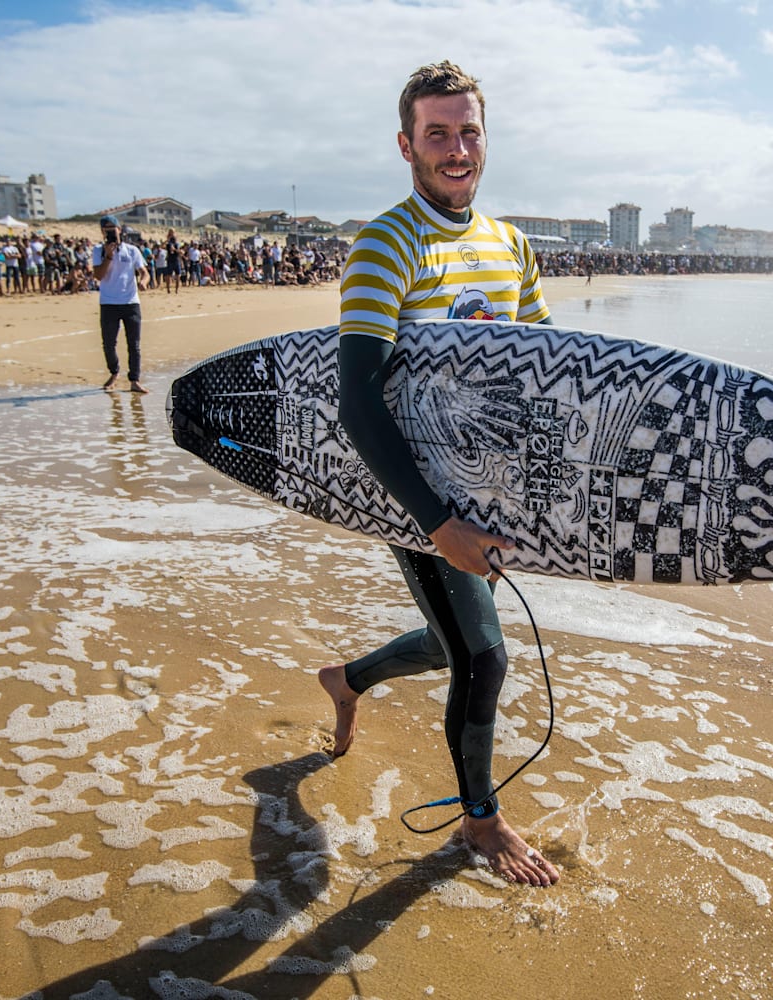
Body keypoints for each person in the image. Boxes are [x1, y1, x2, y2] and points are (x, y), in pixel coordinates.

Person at [320, 61, 559, 887]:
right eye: (437, 134)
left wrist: (537, 500)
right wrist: (435, 521)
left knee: (453, 639)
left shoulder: (512, 244)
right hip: (414, 492)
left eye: (468, 131)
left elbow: (541, 381)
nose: (455, 149)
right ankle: (480, 822)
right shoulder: (387, 244)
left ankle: (345, 680)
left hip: (488, 490)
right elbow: (358, 402)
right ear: (406, 144)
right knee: (484, 657)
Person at [91, 215, 148, 393]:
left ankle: (134, 379)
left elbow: (144, 272)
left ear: (119, 230)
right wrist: (108, 256)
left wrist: (144, 281)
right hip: (108, 302)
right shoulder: (98, 251)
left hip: (130, 302)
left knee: (134, 344)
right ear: (102, 232)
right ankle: (114, 373)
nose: (110, 233)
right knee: (109, 343)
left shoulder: (132, 251)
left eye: (113, 229)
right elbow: (98, 276)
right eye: (106, 230)